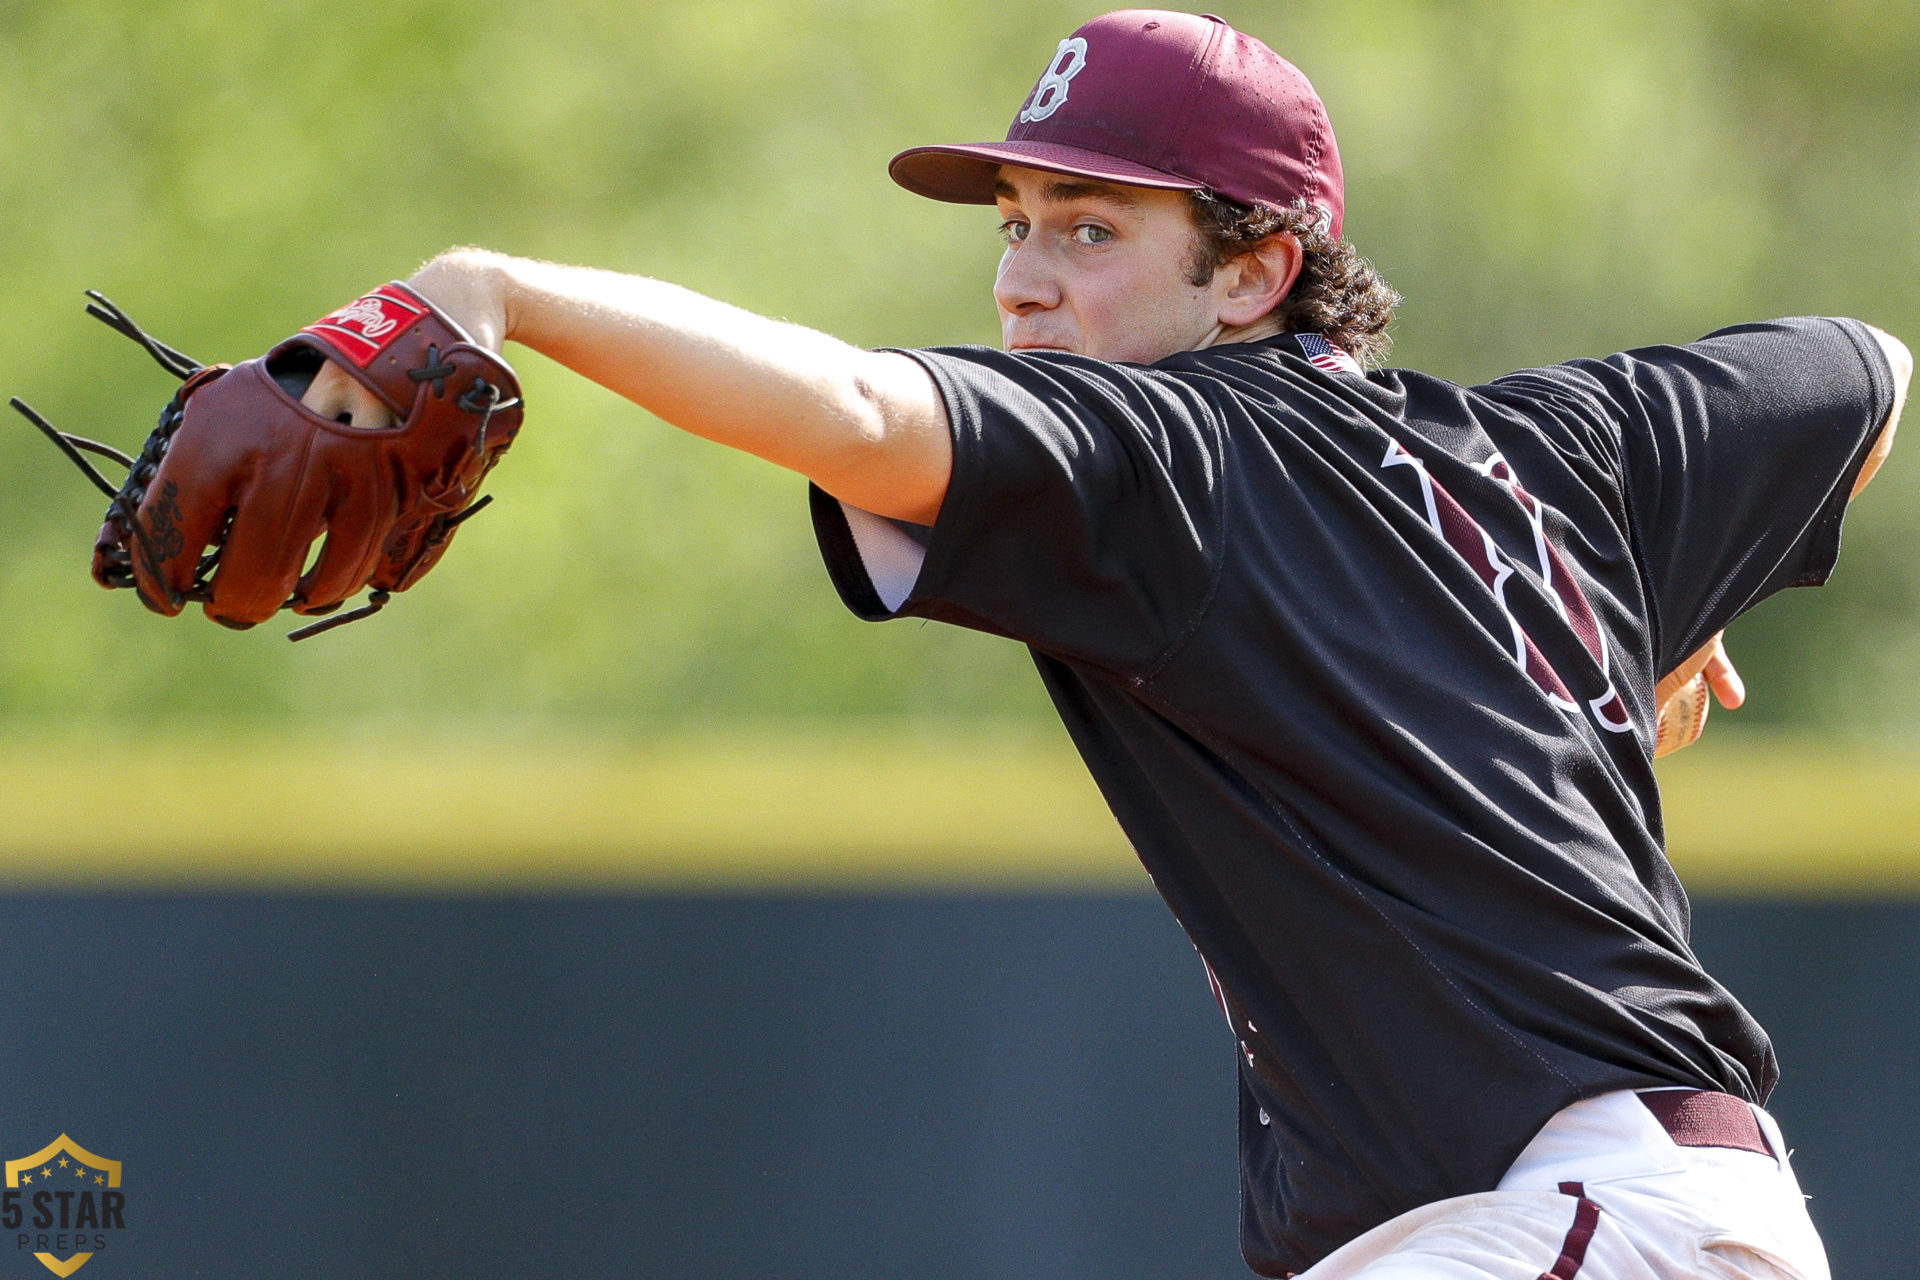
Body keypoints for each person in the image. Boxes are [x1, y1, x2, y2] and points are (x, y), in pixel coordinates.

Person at [302, 10, 1908, 1277]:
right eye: (1011, 224)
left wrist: (499, 289)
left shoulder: (1181, 457)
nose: (1020, 284)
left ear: (1258, 271)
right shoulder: (1553, 453)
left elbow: (859, 411)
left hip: (1571, 1214)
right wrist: (1647, 608)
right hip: (1595, 1218)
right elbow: (1863, 372)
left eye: (1089, 231)